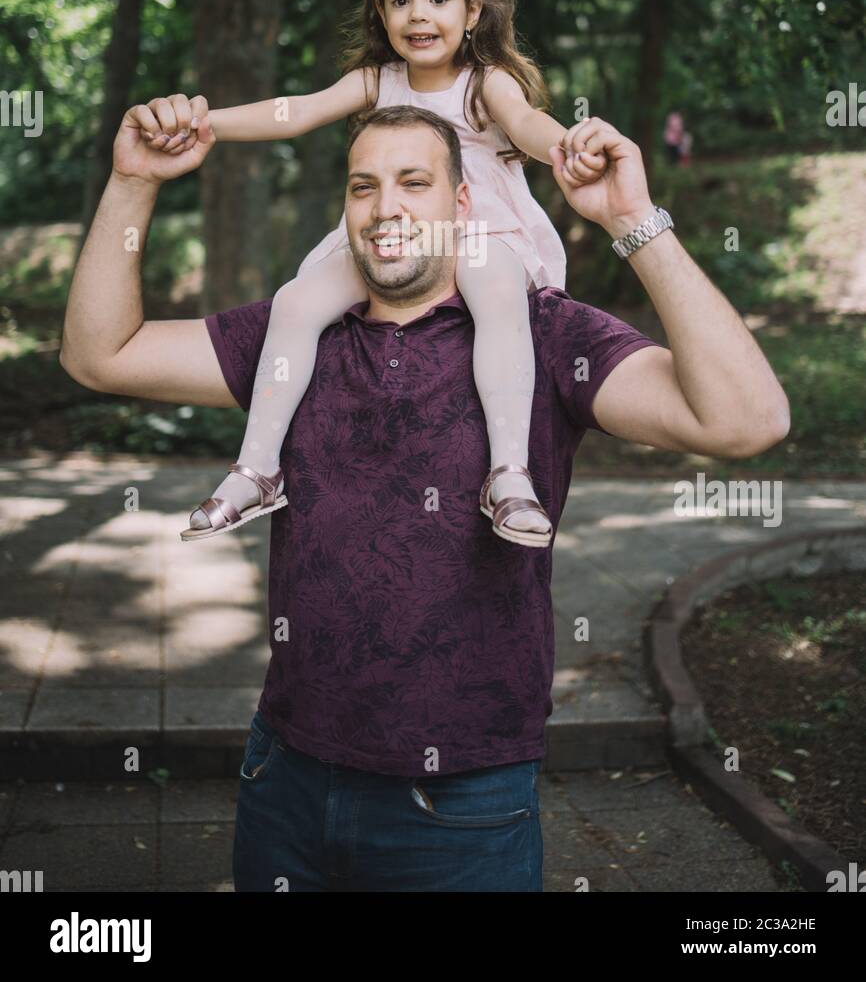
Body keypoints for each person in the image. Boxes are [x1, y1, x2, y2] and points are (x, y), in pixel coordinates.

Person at [59, 97, 791, 892]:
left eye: (414, 181)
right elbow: (102, 356)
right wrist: (132, 181)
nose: (386, 208)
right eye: (363, 187)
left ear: (462, 201)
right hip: (285, 775)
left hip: (461, 804)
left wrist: (634, 221)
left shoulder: (549, 336)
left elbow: (746, 421)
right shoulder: (295, 335)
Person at [140, 0, 606, 549]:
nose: (419, 14)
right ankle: (257, 468)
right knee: (297, 301)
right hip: (389, 233)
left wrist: (569, 149)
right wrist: (205, 124)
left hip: (478, 225)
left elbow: (526, 124)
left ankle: (509, 473)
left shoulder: (484, 79)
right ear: (381, 12)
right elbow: (295, 111)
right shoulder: (377, 79)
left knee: (494, 289)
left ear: (472, 11)